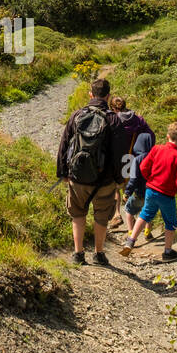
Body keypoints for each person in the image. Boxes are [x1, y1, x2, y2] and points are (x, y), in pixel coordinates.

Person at [56, 78, 132, 266]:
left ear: (90, 94)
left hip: (77, 176)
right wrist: (119, 178)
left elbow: (64, 145)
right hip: (104, 180)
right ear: (108, 96)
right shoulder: (114, 120)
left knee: (78, 214)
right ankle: (98, 253)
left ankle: (78, 253)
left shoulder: (76, 115)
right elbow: (120, 153)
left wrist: (63, 172)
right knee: (101, 216)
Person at [118, 121, 177, 261]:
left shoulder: (156, 149)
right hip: (166, 195)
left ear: (167, 136)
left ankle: (130, 241)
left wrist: (150, 179)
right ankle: (168, 251)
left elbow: (143, 166)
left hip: (150, 190)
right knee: (171, 222)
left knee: (145, 214)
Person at [109, 96, 153, 230]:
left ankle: (118, 215)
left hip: (122, 159)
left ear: (114, 108)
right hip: (138, 158)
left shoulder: (114, 120)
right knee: (136, 187)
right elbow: (150, 134)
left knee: (117, 187)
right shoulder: (138, 119)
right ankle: (141, 219)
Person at [120, 130, 154, 238]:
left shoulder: (138, 159)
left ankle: (131, 233)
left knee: (128, 211)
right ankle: (147, 231)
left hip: (139, 192)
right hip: (152, 192)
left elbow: (133, 179)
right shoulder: (155, 157)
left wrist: (127, 193)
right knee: (147, 212)